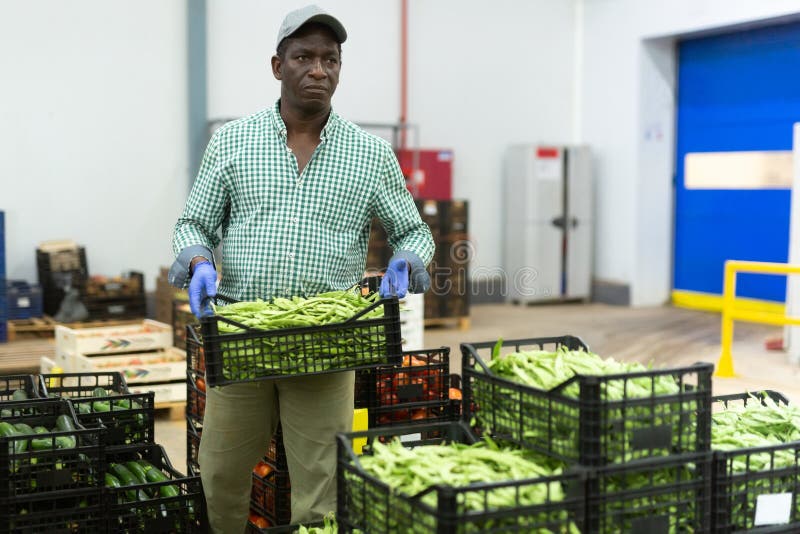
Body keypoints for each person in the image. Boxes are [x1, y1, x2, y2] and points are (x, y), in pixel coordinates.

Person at [168, 5, 434, 532]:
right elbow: (193, 224)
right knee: (221, 472)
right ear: (277, 65)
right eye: (304, 57)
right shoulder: (232, 142)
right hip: (243, 335)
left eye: (330, 59)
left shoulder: (370, 154)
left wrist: (408, 257)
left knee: (321, 481)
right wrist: (198, 260)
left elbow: (413, 230)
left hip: (327, 342)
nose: (319, 70)